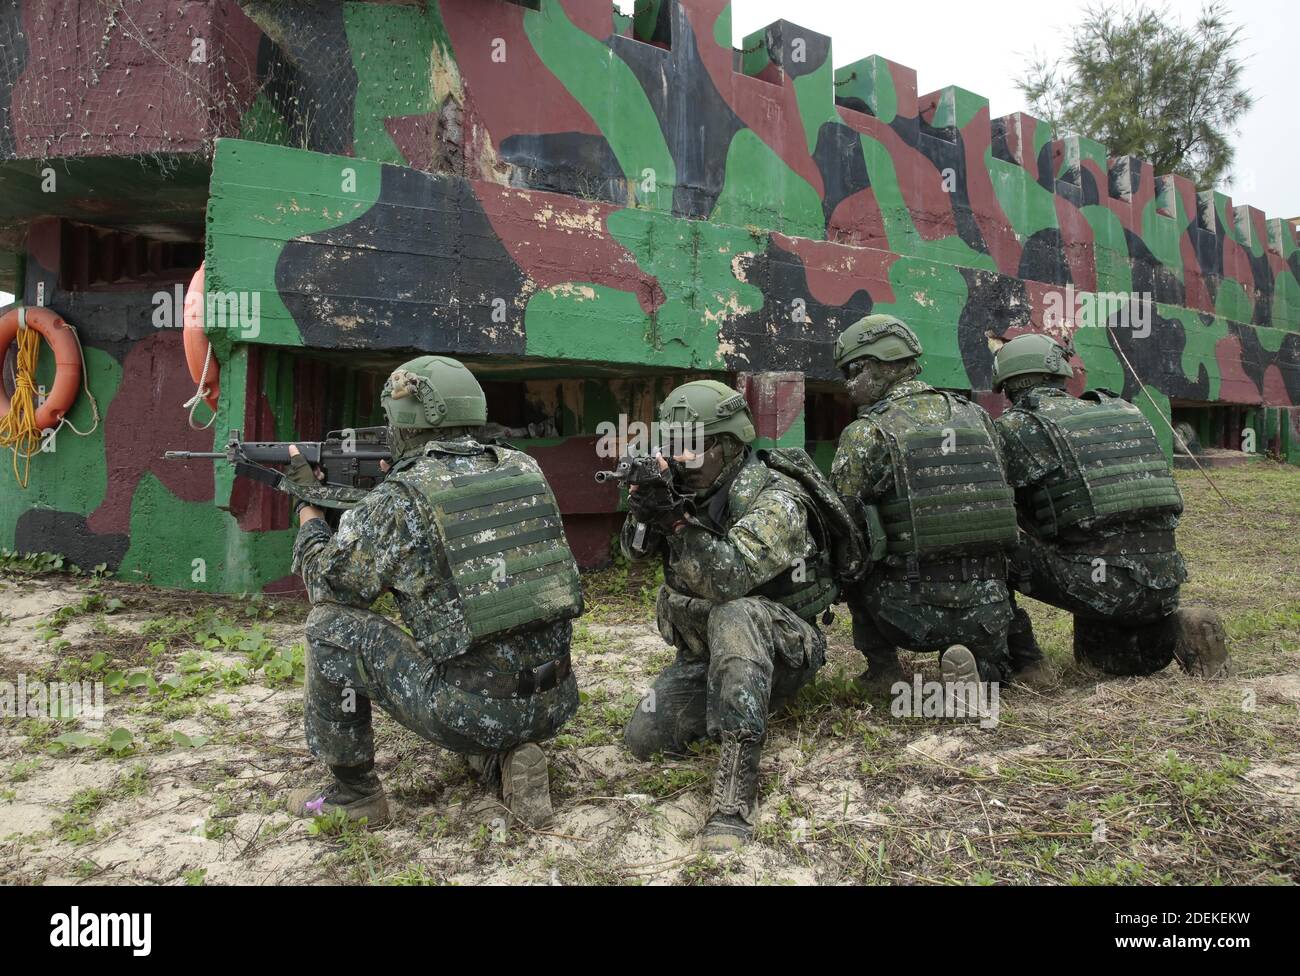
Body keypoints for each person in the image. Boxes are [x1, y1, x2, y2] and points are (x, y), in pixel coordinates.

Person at [286, 355, 584, 828]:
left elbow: (328, 585)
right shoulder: (524, 468)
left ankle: (355, 792)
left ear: (403, 426)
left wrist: (309, 513)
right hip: (555, 699)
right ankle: (502, 760)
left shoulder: (399, 499)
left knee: (327, 628)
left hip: (470, 708)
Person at [621, 380, 844, 851]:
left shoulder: (776, 498)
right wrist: (646, 508)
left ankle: (736, 790)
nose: (681, 458)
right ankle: (735, 697)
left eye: (693, 448)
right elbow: (636, 554)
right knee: (644, 738)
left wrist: (676, 521)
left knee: (735, 612)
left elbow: (730, 579)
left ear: (729, 444)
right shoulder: (683, 488)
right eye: (674, 447)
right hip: (706, 653)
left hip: (780, 645)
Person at [990, 333, 1229, 677]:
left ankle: (1026, 661)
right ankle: (1178, 628)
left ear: (1008, 384)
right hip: (1164, 579)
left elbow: (991, 508)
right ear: (1061, 375)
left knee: (984, 544)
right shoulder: (1123, 409)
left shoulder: (1016, 427)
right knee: (1105, 661)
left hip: (1095, 580)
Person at [830, 314, 1028, 691]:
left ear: (874, 368)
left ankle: (883, 672)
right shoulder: (979, 417)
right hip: (989, 609)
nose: (848, 386)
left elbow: (844, 518)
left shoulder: (866, 432)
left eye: (851, 373)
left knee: (849, 553)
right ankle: (995, 664)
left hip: (908, 615)